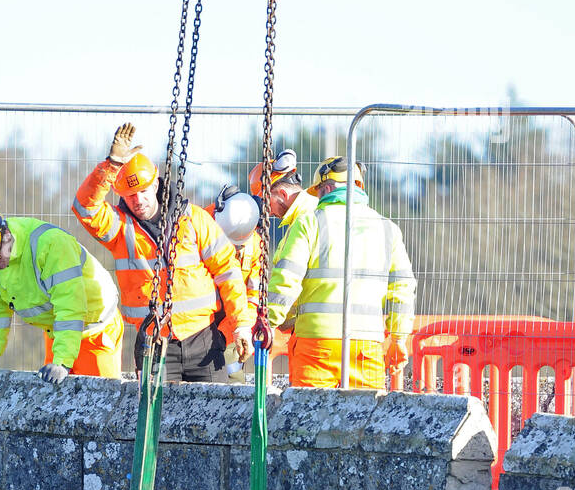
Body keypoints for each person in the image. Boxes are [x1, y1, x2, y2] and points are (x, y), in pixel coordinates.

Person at [73, 122, 252, 382]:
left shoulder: (194, 219)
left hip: (203, 339)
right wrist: (111, 166)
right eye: (130, 195)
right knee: (156, 421)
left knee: (215, 416)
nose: (139, 200)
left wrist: (241, 325)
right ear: (121, 194)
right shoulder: (120, 228)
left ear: (156, 185)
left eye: (144, 191)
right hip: (154, 343)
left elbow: (228, 272)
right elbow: (85, 208)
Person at [258, 152, 416, 390]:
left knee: (310, 421)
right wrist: (398, 338)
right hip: (366, 345)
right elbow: (403, 287)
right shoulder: (388, 229)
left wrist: (268, 322)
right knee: (364, 421)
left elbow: (286, 279)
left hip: (315, 343)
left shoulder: (309, 223)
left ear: (327, 187)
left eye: (318, 190)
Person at [0, 203, 123, 383]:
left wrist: (63, 361)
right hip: (59, 332)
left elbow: (70, 306)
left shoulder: (50, 245)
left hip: (95, 331)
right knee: (57, 402)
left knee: (97, 400)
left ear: (4, 234)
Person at [204, 185, 261, 379]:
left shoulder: (255, 245)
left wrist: (234, 329)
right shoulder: (199, 228)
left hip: (232, 329)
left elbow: (253, 297)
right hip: (199, 328)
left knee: (233, 381)